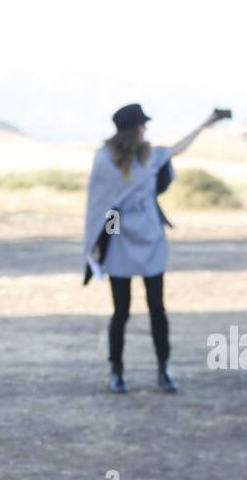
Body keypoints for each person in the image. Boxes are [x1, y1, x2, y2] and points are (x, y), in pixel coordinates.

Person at [83, 104, 226, 392]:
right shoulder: (105, 159)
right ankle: (118, 371)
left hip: (145, 234)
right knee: (123, 311)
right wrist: (101, 242)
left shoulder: (149, 155)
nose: (145, 129)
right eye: (142, 125)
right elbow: (104, 205)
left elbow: (177, 148)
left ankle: (162, 369)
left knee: (153, 308)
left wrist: (204, 124)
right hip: (123, 231)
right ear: (135, 128)